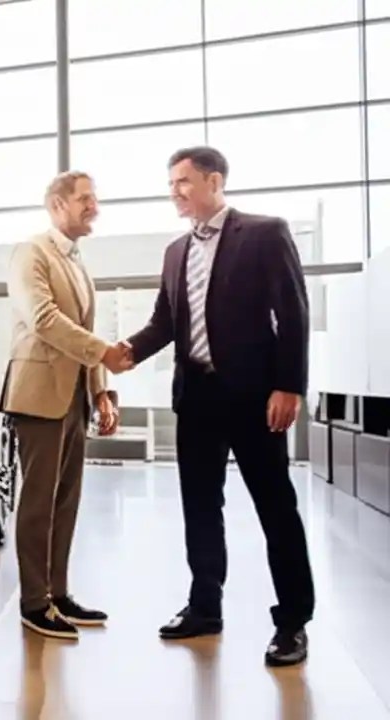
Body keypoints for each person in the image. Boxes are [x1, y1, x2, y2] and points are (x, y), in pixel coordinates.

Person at [119, 145, 315, 667]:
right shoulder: (175, 252)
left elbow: (293, 311)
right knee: (201, 507)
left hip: (255, 397)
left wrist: (288, 386)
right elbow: (165, 323)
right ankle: (205, 607)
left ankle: (293, 622)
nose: (175, 192)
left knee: (275, 507)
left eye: (183, 182)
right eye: (170, 184)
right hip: (197, 398)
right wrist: (127, 352)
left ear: (214, 181)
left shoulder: (265, 233)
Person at [0, 170, 133, 640]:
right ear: (58, 205)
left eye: (94, 198)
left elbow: (83, 332)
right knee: (38, 502)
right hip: (38, 394)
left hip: (74, 395)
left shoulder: (76, 261)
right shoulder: (30, 253)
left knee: (67, 500)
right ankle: (34, 602)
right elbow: (43, 319)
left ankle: (57, 593)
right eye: (85, 199)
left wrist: (100, 392)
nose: (94, 206)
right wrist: (105, 354)